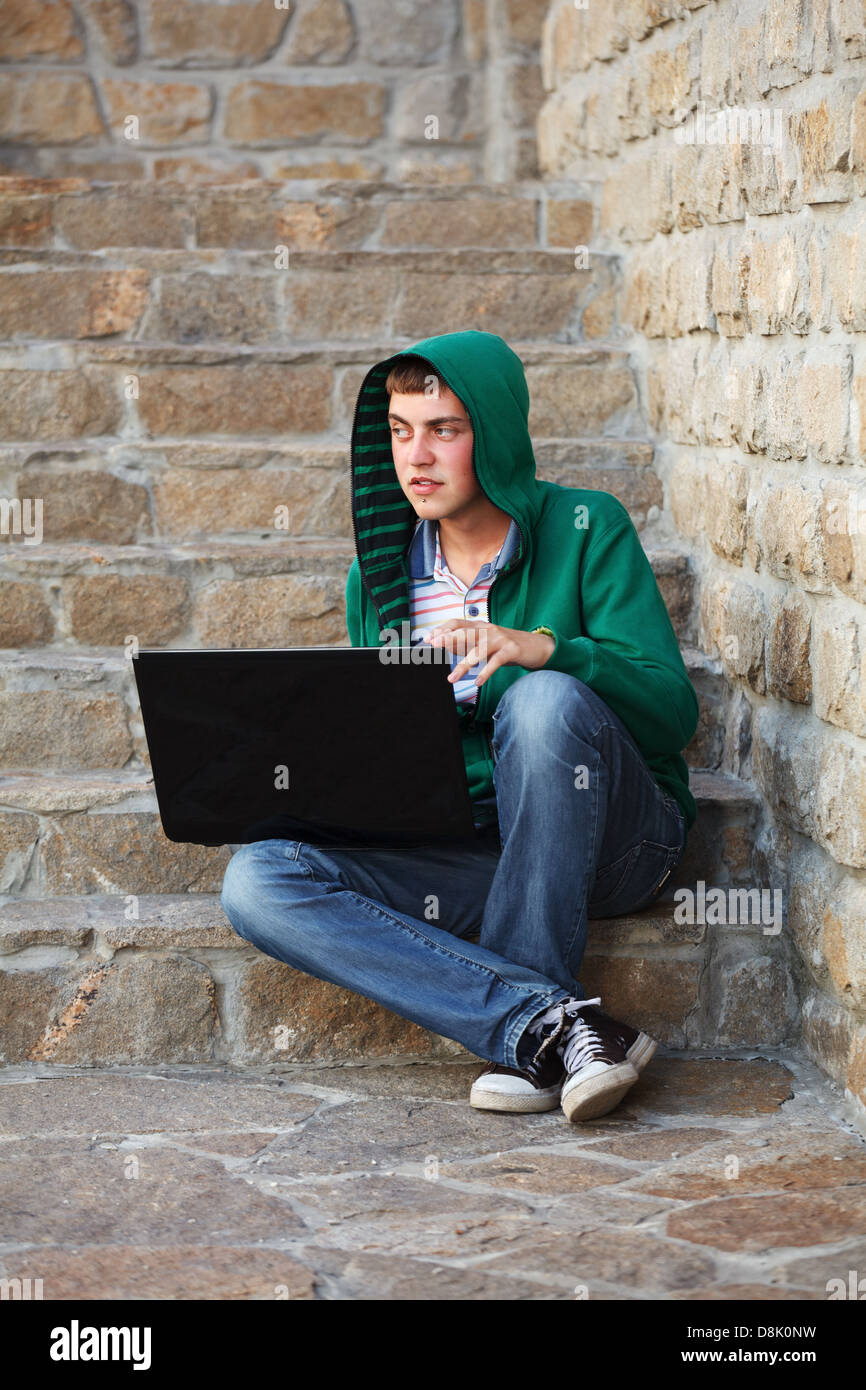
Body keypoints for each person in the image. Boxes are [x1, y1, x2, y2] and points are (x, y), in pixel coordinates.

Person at [220, 329, 699, 1122]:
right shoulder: (378, 578)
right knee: (259, 880)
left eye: (444, 430)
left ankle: (527, 1025)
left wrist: (543, 651)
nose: (417, 458)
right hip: (476, 851)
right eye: (401, 432)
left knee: (541, 703)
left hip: (615, 843)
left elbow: (670, 712)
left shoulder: (587, 527)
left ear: (496, 436)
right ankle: (547, 1027)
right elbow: (391, 752)